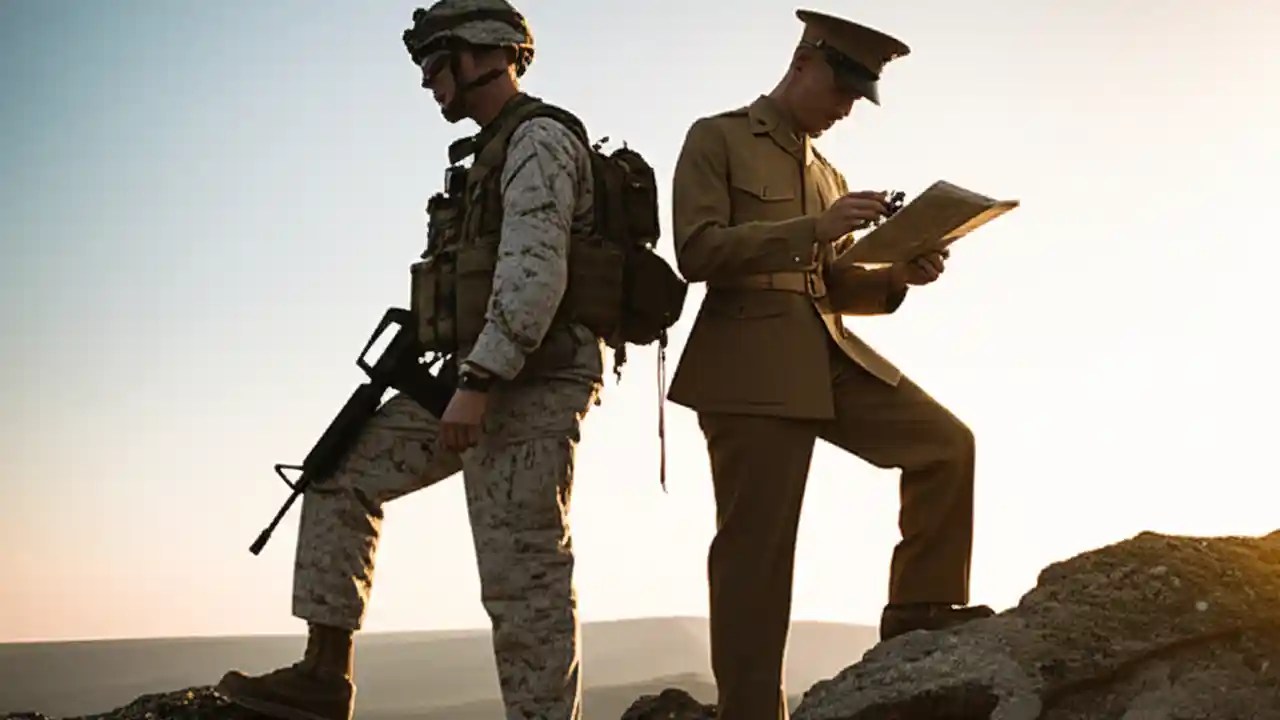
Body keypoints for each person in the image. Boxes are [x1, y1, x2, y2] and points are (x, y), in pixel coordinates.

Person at [215, 2, 606, 718]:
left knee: (523, 574)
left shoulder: (539, 140)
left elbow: (534, 273)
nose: (428, 82)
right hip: (470, 379)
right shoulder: (486, 156)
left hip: (530, 383)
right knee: (337, 474)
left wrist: (480, 379)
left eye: (435, 63)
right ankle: (324, 675)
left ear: (481, 53)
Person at [666, 8, 995, 718]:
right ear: (803, 62)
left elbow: (834, 284)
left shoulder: (827, 171)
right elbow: (697, 251)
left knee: (946, 445)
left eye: (857, 96)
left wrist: (900, 274)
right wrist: (813, 227)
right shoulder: (717, 138)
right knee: (757, 556)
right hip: (747, 366)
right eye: (842, 90)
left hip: (827, 353)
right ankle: (751, 712)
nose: (847, 108)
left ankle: (921, 608)